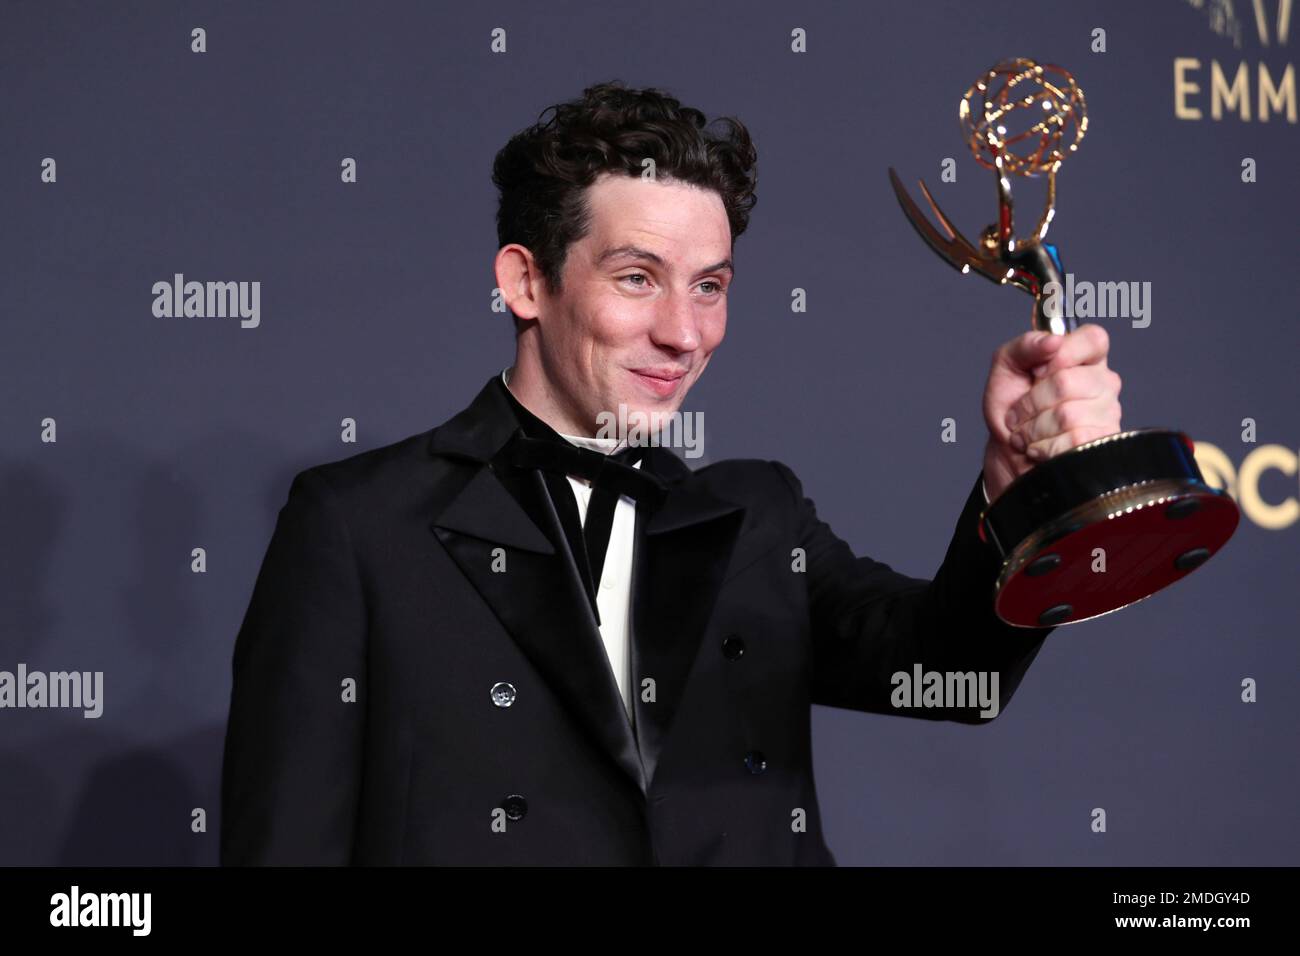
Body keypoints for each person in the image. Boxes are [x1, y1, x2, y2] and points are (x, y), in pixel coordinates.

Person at [219, 81, 1123, 866]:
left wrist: (1016, 485)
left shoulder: (758, 515)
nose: (685, 335)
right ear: (526, 282)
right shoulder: (361, 524)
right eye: (639, 278)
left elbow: (956, 676)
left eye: (710, 286)